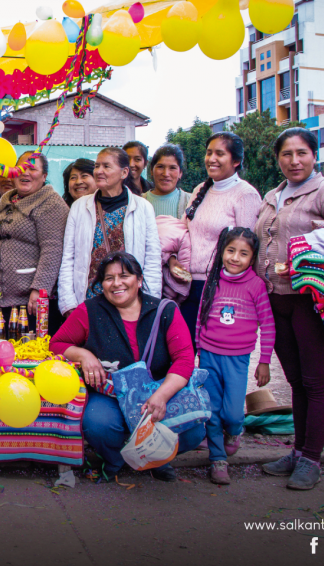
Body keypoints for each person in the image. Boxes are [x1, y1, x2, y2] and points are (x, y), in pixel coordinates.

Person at [254, 128, 324, 490]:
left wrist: (313, 259)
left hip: (312, 300)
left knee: (317, 383)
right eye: (286, 154)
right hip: (277, 299)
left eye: (302, 153)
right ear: (278, 159)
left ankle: (312, 460)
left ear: (314, 155)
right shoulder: (273, 195)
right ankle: (298, 451)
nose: (294, 160)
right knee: (296, 382)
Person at [50, 252, 202, 481]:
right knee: (97, 423)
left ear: (139, 280)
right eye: (109, 278)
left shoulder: (165, 311)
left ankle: (158, 459)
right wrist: (83, 354)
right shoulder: (89, 310)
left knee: (194, 431)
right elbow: (57, 344)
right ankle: (116, 459)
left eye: (124, 276)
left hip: (156, 391)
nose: (116, 283)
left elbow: (184, 359)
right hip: (110, 395)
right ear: (102, 285)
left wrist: (161, 396)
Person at [194, 228, 275, 485]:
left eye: (243, 253)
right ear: (222, 252)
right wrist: (197, 348)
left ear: (252, 258)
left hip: (238, 358)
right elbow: (201, 314)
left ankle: (235, 431)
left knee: (232, 412)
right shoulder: (213, 280)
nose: (235, 258)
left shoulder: (256, 285)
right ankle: (217, 459)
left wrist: (264, 361)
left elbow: (268, 324)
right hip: (209, 354)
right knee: (213, 410)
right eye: (231, 251)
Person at [176, 132, 262, 343]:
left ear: (236, 161)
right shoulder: (200, 190)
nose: (211, 159)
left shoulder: (246, 194)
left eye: (220, 154)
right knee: (184, 351)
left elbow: (247, 250)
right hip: (187, 286)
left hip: (221, 289)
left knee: (214, 354)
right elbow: (182, 230)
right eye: (209, 153)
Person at [59, 148, 161, 317]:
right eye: (97, 166)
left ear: (124, 172)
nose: (99, 171)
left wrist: (150, 301)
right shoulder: (79, 207)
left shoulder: (143, 207)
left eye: (106, 166)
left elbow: (152, 258)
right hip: (88, 299)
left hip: (129, 299)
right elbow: (68, 257)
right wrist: (68, 303)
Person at [0, 151, 69, 334]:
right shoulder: (3, 202)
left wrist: (39, 290)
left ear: (44, 176)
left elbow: (52, 251)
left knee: (28, 356)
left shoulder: (52, 204)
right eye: (21, 168)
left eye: (32, 168)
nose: (25, 173)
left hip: (29, 301)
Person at [143, 144, 192, 219]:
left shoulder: (191, 202)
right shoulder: (137, 202)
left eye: (172, 168)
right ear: (151, 170)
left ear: (180, 173)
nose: (166, 174)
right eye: (160, 167)